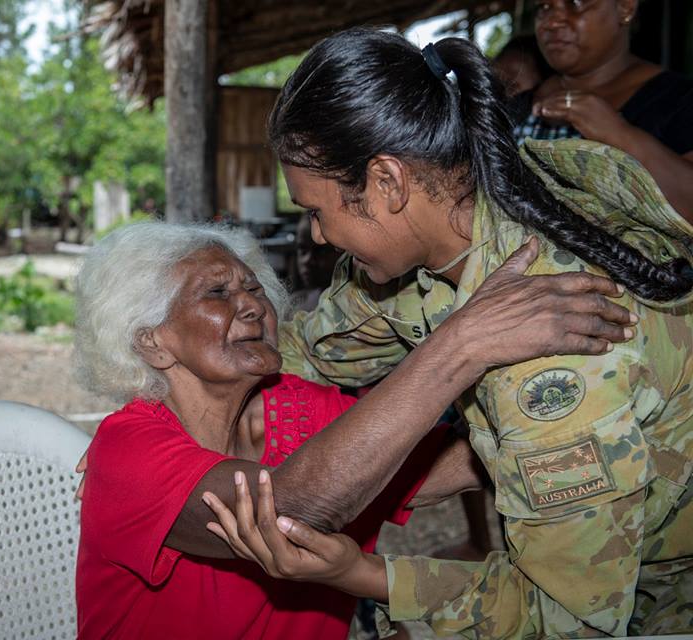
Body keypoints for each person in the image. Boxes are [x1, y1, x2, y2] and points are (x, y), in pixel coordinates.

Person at [202, 28, 693, 638]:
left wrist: (362, 574)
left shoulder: (555, 358)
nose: (320, 237)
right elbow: (313, 351)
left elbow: (566, 619)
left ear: (387, 183)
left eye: (315, 212)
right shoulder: (446, 224)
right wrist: (161, 422)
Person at [73, 220, 635, 639]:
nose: (252, 306)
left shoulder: (297, 409)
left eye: (255, 289)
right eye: (217, 293)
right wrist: (462, 345)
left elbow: (445, 464)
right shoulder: (127, 449)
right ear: (151, 339)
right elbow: (286, 513)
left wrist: (590, 406)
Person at [513, 0, 693, 220]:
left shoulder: (680, 100)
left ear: (625, 7)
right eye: (544, 7)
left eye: (575, 3)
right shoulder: (516, 108)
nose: (551, 22)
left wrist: (617, 133)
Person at [291, 212, 340, 311]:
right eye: (302, 249)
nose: (307, 260)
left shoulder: (354, 309)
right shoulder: (294, 303)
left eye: (321, 251)